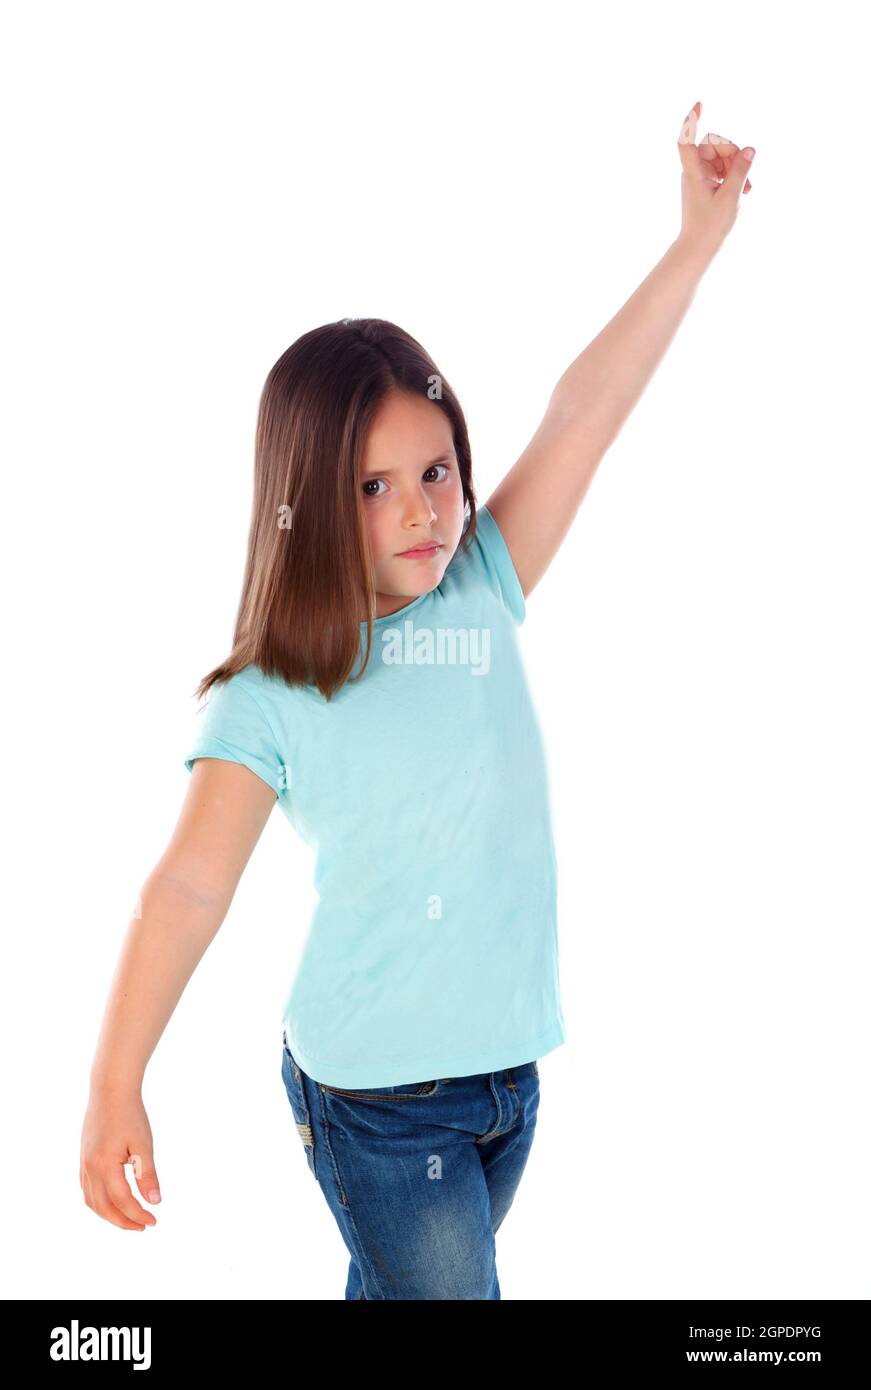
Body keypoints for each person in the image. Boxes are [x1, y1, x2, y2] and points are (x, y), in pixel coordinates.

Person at [80, 102, 756, 1299]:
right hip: (379, 1102)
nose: (421, 511)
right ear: (300, 500)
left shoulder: (481, 585)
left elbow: (585, 410)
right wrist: (114, 1078)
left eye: (435, 471)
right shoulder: (269, 692)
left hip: (509, 1080)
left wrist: (696, 240)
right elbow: (186, 887)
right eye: (374, 486)